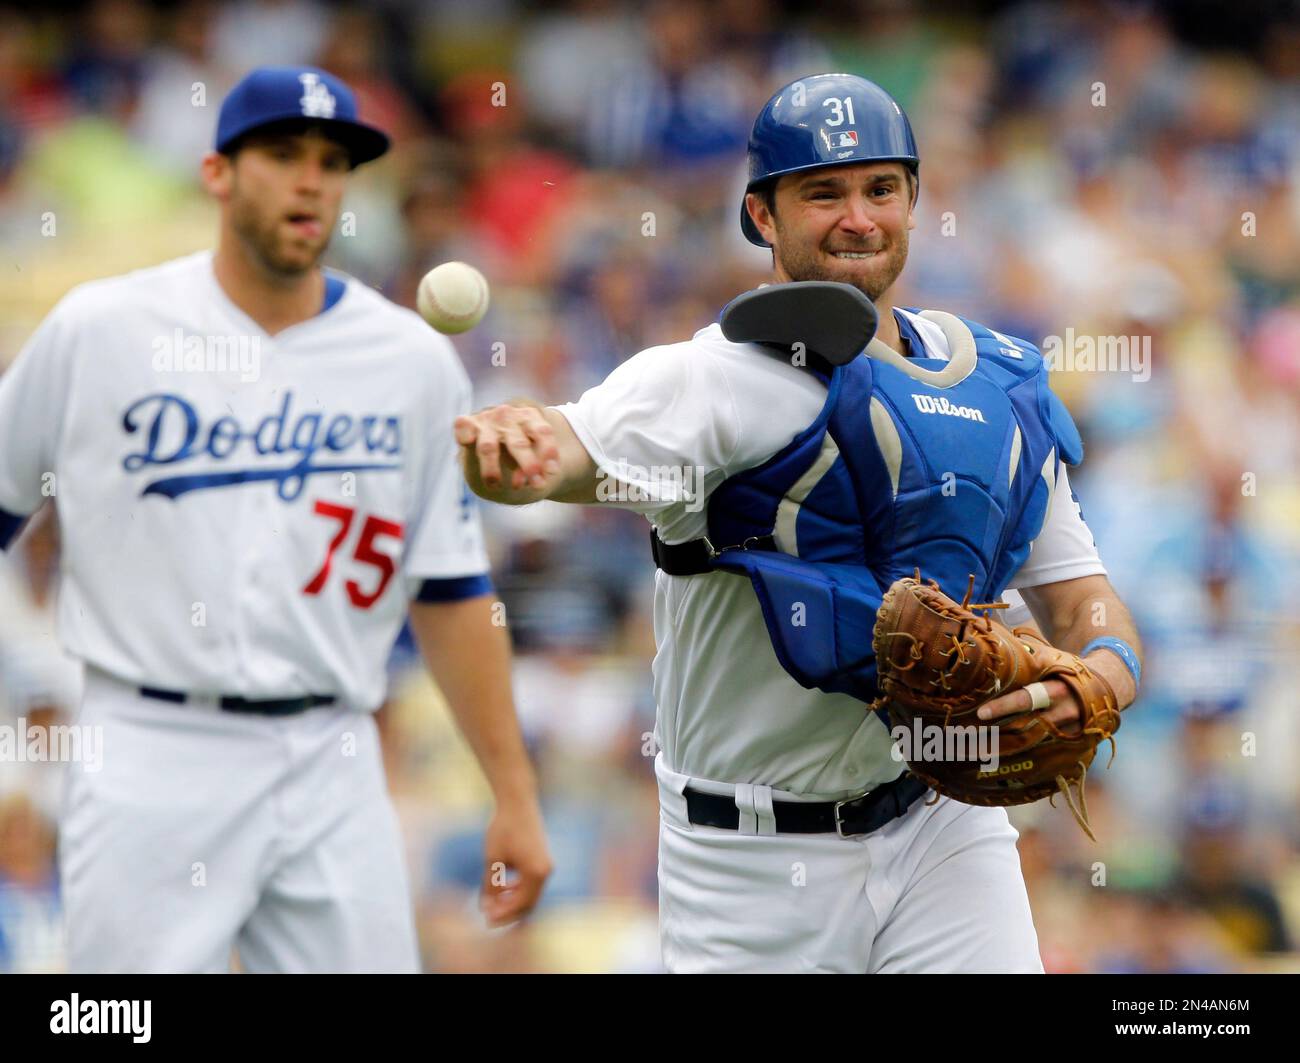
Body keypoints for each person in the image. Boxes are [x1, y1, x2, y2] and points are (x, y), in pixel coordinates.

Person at [454, 73, 1142, 973]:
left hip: (942, 827)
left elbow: (1086, 600)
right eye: (824, 191)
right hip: (747, 859)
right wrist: (510, 448)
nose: (858, 216)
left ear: (913, 201)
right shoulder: (711, 378)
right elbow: (565, 446)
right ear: (761, 215)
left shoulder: (998, 385)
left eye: (881, 188)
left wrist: (1100, 677)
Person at [0, 65, 550, 973]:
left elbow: (452, 591)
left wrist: (514, 791)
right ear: (218, 172)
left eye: (334, 161)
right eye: (284, 154)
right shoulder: (102, 329)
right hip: (150, 745)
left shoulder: (409, 359)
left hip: (334, 751)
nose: (311, 180)